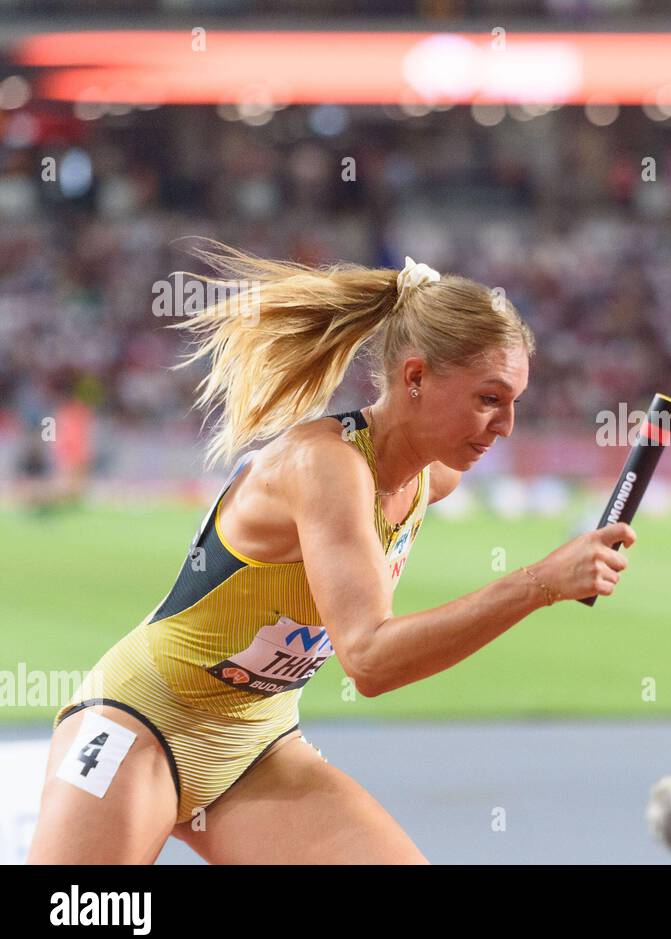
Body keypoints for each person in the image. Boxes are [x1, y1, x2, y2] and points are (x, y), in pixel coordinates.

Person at [27, 243, 635, 864]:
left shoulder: (432, 476)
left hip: (256, 748)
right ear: (415, 377)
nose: (507, 425)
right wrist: (539, 583)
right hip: (142, 723)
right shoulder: (324, 464)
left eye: (514, 403)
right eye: (489, 398)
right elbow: (369, 660)